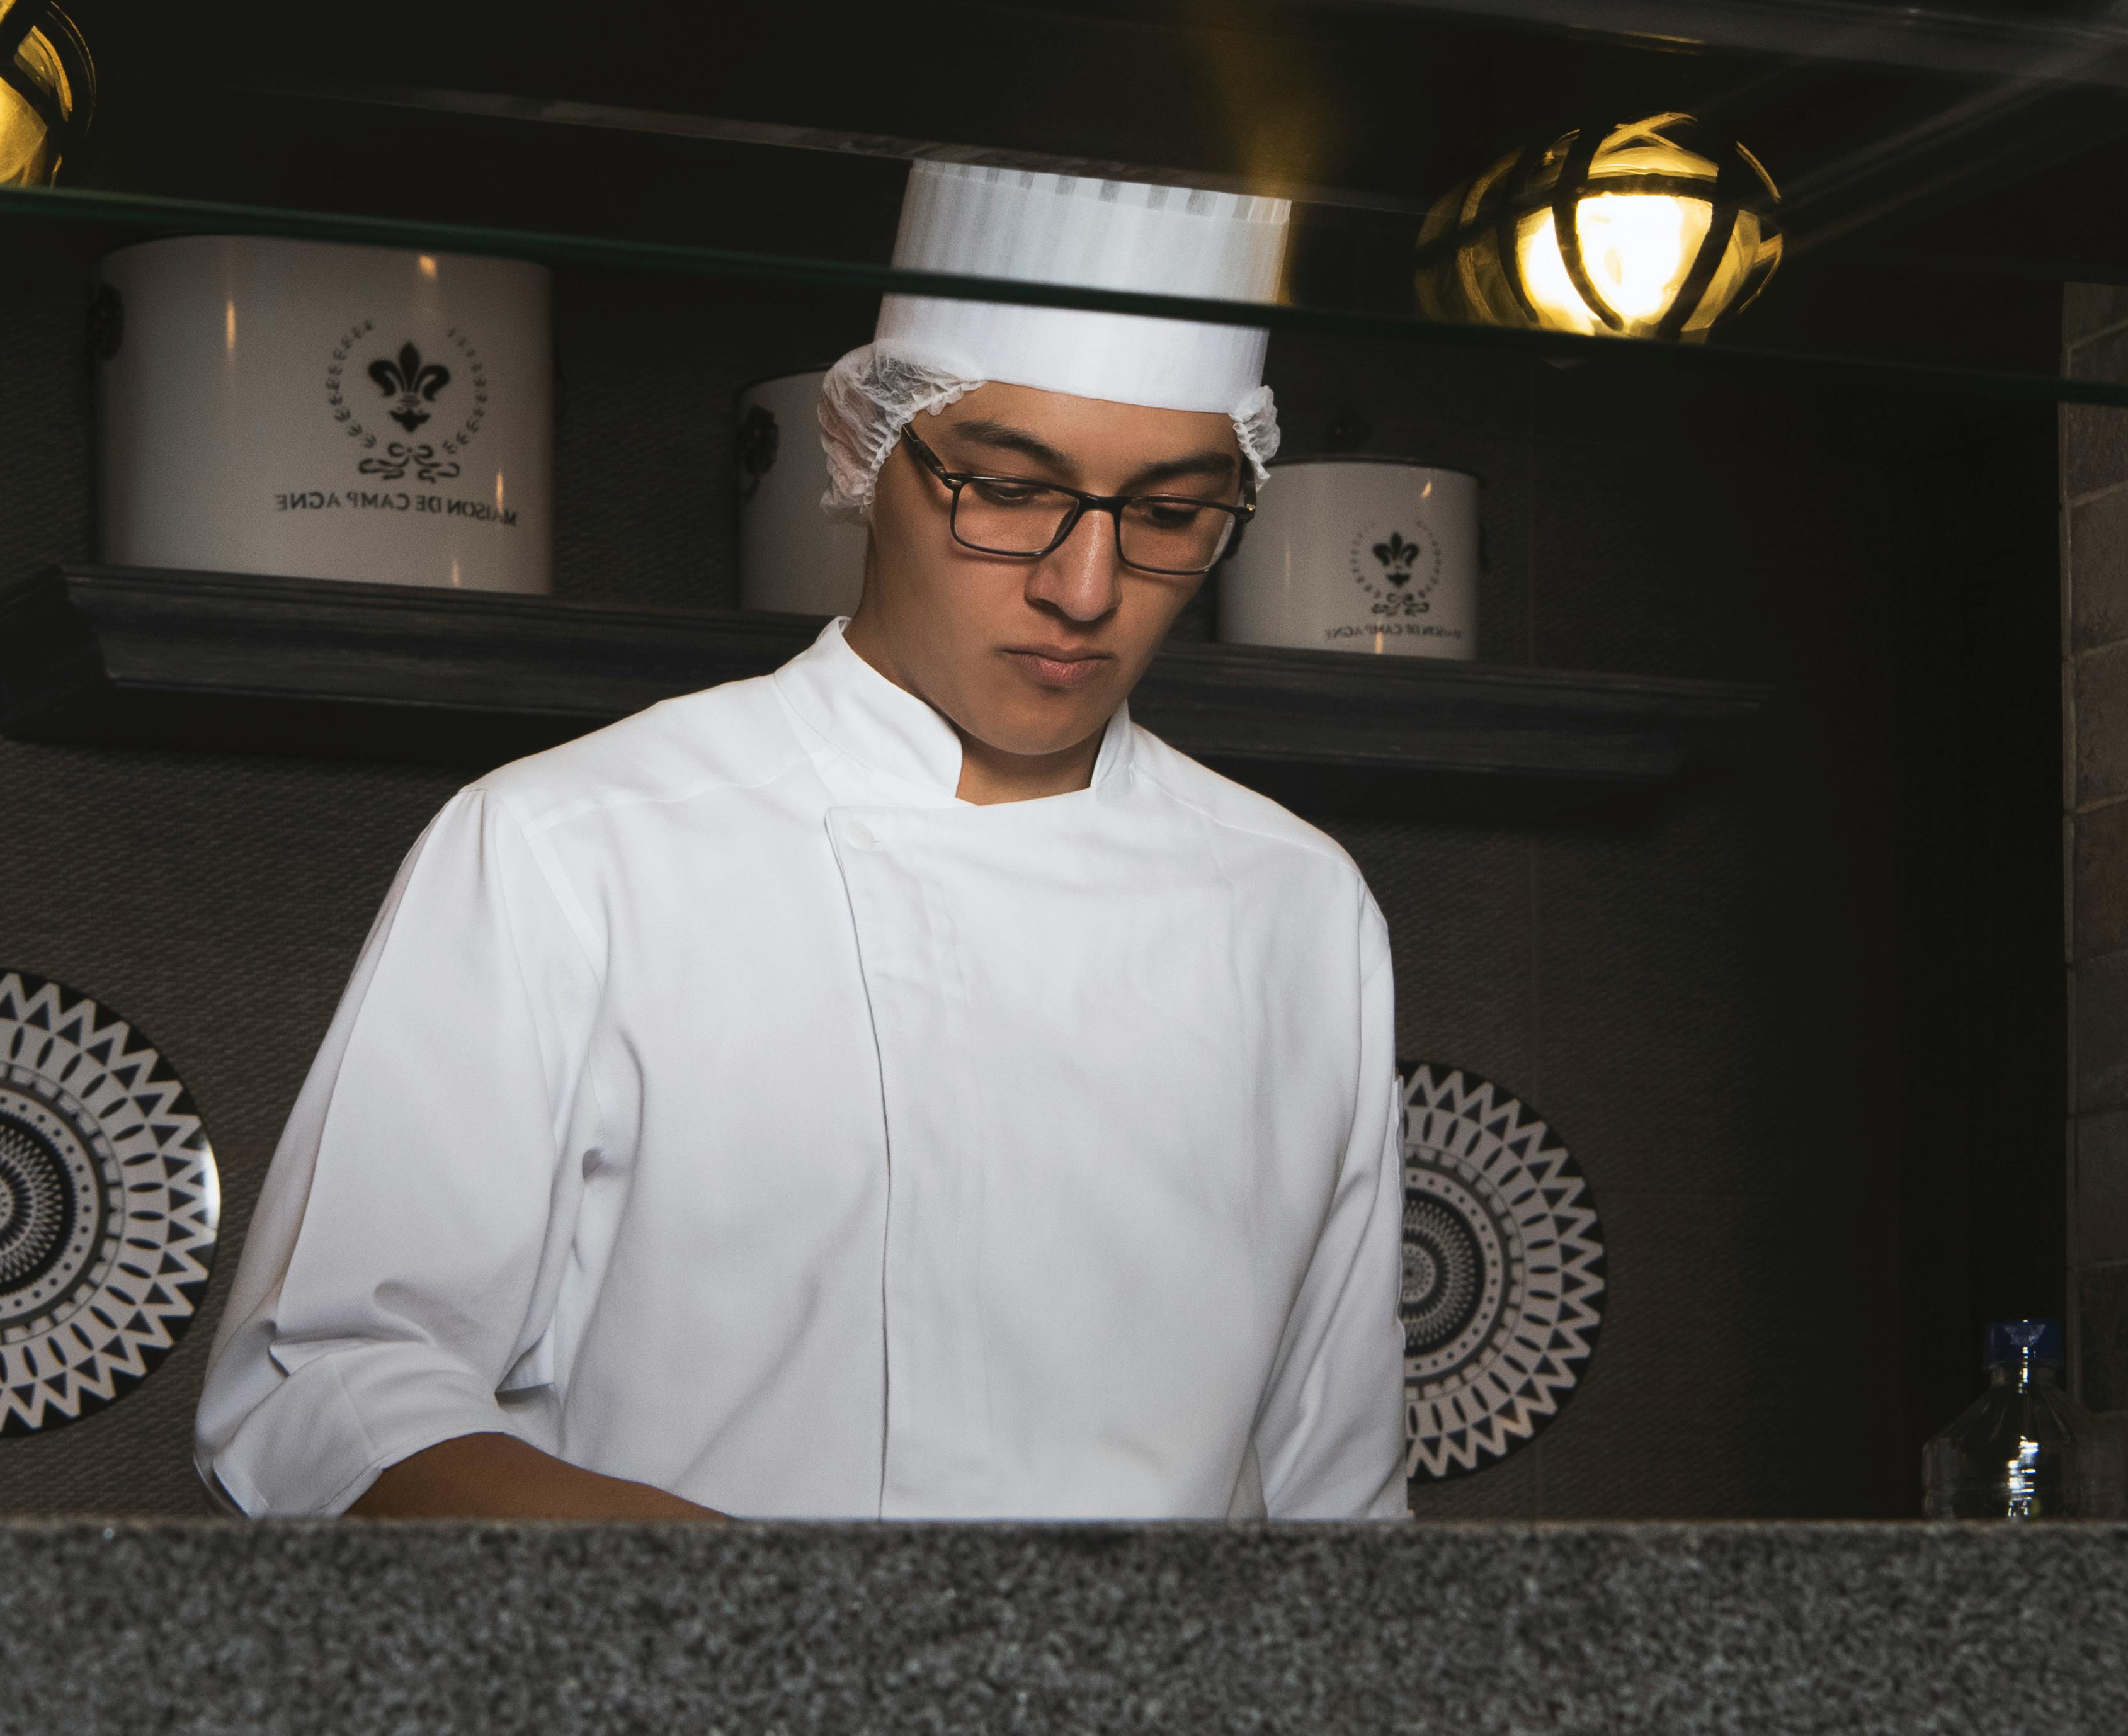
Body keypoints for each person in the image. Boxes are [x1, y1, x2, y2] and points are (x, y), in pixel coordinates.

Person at [192, 163, 1406, 1521]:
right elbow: (325, 1386)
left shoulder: (1297, 903)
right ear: (862, 448)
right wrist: (769, 1617)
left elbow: (1337, 1498)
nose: (1083, 588)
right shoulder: (567, 847)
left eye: (1170, 515)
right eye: (1007, 490)